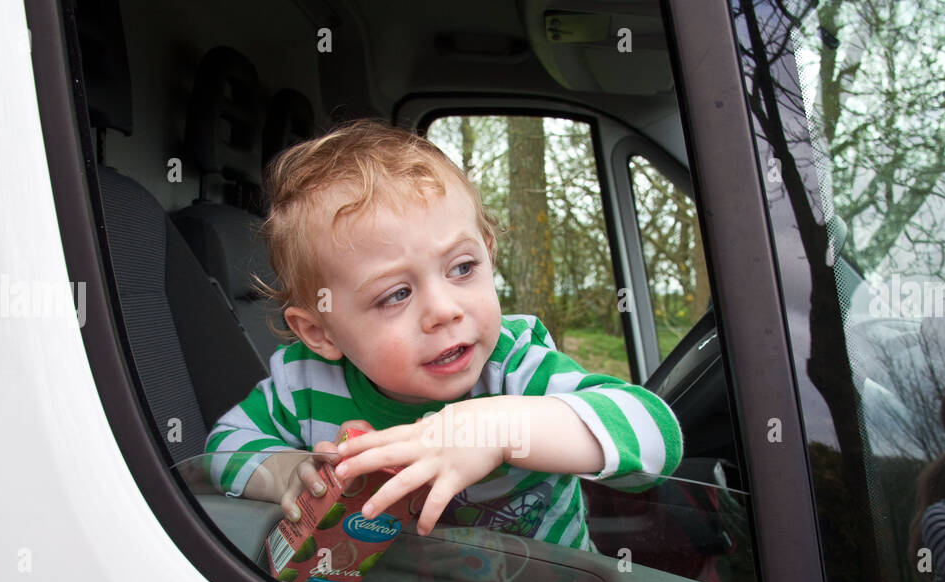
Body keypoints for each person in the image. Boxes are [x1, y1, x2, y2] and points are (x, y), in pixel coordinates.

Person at [205, 119, 682, 551]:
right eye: (395, 295)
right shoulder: (305, 383)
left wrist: (496, 430)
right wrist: (287, 472)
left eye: (462, 268)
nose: (444, 311)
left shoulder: (513, 365)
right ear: (320, 331)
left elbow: (655, 436)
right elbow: (223, 444)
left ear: (488, 256)